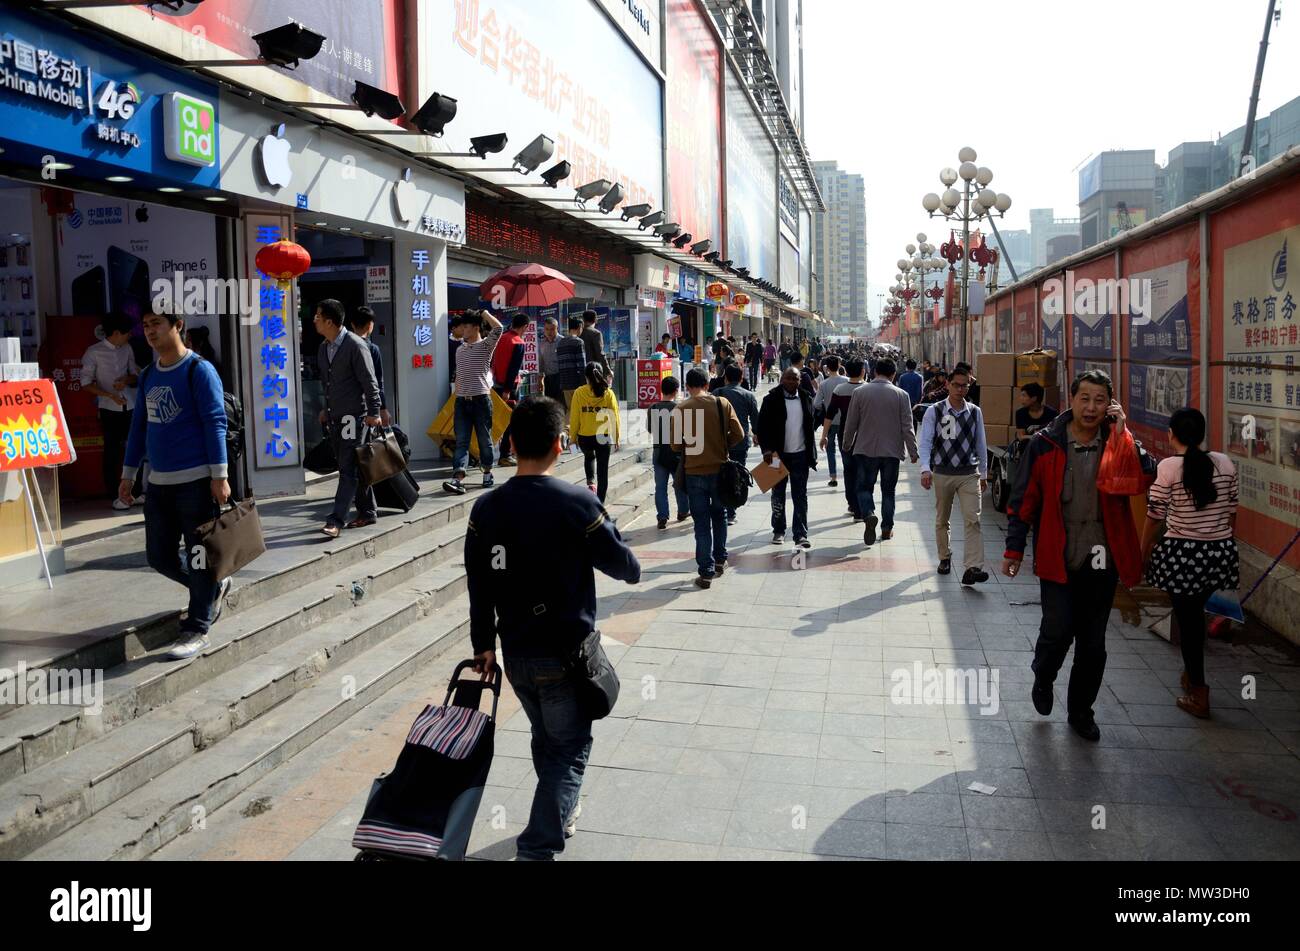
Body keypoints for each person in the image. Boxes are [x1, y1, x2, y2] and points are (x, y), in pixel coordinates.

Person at [465, 395, 641, 861]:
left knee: (547, 740)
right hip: (565, 653)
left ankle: (559, 815)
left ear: (511, 443)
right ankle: (537, 847)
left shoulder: (484, 509)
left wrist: (483, 644)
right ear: (560, 445)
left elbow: (477, 582)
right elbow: (628, 569)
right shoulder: (577, 503)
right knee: (568, 748)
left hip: (515, 653)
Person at [1002, 370, 1156, 742]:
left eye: (1100, 400)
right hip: (1059, 553)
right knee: (1057, 630)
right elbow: (1023, 500)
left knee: (1093, 642)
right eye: (1084, 398)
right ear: (1071, 400)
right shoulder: (1045, 444)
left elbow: (1146, 473)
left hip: (1103, 558)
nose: (1091, 407)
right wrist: (1014, 548)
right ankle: (1043, 674)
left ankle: (1081, 711)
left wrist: (1125, 434)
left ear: (1111, 404)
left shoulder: (1117, 442)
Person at [119, 310, 229, 660]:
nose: (149, 331)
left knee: (198, 559)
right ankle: (212, 587)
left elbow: (215, 423)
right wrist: (129, 474)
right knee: (159, 557)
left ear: (177, 325)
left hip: (196, 483)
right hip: (159, 485)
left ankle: (198, 627)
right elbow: (139, 429)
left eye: (157, 324)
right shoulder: (149, 374)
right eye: (146, 325)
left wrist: (220, 475)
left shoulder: (199, 370)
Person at [1140, 407, 1239, 719]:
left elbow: (1155, 515)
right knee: (1195, 619)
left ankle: (1199, 692)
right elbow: (1232, 510)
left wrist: (1144, 552)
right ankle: (1191, 676)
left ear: (1171, 435)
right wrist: (1221, 539)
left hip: (1183, 554)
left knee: (1191, 622)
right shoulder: (1223, 461)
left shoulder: (1169, 466)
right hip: (1220, 552)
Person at [671, 367, 744, 589]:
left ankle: (706, 572)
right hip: (720, 470)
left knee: (701, 524)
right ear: (707, 384)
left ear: (688, 386)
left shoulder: (681, 409)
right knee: (720, 515)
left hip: (694, 473)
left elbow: (675, 445)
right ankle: (721, 559)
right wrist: (722, 445)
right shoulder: (722, 404)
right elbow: (739, 434)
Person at [315, 300, 383, 536]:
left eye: (318, 316)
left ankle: (336, 520)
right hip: (335, 418)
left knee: (347, 468)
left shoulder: (356, 345)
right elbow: (328, 384)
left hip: (354, 418)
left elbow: (369, 381)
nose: (314, 320)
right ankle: (368, 511)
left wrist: (374, 413)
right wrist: (326, 408)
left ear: (329, 322)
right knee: (354, 465)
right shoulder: (324, 347)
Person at [918, 367, 988, 585]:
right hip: (942, 472)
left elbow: (981, 444)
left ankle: (972, 567)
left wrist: (984, 473)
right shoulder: (935, 411)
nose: (960, 389)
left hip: (969, 473)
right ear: (947, 384)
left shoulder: (975, 411)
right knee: (942, 519)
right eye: (956, 384)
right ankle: (944, 557)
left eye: (965, 385)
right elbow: (926, 441)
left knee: (973, 520)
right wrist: (924, 468)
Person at [841, 357, 919, 546]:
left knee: (863, 487)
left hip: (865, 450)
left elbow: (851, 422)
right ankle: (886, 529)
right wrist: (913, 451)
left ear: (875, 371)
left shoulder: (860, 392)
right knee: (888, 491)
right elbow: (907, 426)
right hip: (892, 452)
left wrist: (846, 443)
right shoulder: (902, 395)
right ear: (893, 374)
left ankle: (868, 513)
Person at [81, 313, 141, 509]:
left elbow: (135, 374)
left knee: (135, 447)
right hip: (109, 407)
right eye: (127, 333)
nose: (130, 336)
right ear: (116, 333)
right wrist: (108, 395)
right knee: (112, 451)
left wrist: (126, 380)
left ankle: (137, 491)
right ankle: (114, 494)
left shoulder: (127, 348)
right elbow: (85, 383)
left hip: (129, 403)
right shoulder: (93, 352)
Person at [443, 308, 504, 495]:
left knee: (484, 440)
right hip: (462, 401)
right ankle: (458, 478)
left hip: (481, 400)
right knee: (461, 441)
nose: (462, 329)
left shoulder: (486, 346)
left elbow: (499, 328)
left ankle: (487, 472)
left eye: (466, 326)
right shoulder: (460, 348)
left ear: (476, 328)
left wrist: (484, 313)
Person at [757, 367, 817, 548]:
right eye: (789, 378)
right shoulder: (771, 399)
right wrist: (766, 450)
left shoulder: (806, 398)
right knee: (778, 495)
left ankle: (800, 534)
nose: (792, 382)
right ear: (782, 379)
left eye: (795, 379)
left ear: (800, 381)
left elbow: (811, 424)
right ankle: (778, 530)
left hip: (800, 455)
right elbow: (762, 427)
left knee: (800, 495)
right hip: (776, 456)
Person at [714, 363, 760, 526]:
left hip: (720, 443)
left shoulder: (717, 394)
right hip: (740, 442)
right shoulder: (748, 395)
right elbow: (755, 419)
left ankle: (722, 508)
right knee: (736, 475)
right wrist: (756, 434)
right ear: (742, 378)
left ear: (725, 378)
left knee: (721, 474)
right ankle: (731, 511)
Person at [568, 362, 621, 502]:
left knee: (589, 457)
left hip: (584, 436)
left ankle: (591, 483)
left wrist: (572, 438)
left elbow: (574, 418)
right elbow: (614, 416)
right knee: (603, 471)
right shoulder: (608, 393)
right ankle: (600, 503)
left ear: (586, 377)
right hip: (603, 437)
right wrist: (617, 437)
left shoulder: (579, 392)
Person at [824, 358, 867, 520]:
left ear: (846, 371)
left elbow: (830, 413)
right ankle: (862, 507)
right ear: (863, 371)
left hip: (845, 435)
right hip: (865, 436)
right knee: (863, 470)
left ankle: (853, 504)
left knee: (849, 471)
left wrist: (824, 436)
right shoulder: (868, 389)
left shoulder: (840, 389)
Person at [647, 376, 690, 530]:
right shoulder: (680, 408)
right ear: (676, 390)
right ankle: (683, 511)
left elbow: (650, 429)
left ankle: (662, 517)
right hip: (676, 451)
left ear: (661, 390)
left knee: (660, 486)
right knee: (679, 483)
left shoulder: (653, 408)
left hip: (658, 451)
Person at [492, 312, 529, 468]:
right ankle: (505, 455)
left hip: (496, 384)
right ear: (525, 326)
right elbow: (513, 368)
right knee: (510, 421)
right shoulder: (518, 342)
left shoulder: (501, 338)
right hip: (509, 388)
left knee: (496, 420)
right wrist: (508, 389)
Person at [348, 307, 390, 426]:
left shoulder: (343, 348)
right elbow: (378, 382)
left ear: (352, 324)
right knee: (367, 443)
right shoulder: (372, 349)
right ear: (369, 326)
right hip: (367, 409)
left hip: (345, 407)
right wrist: (382, 409)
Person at [812, 355, 845, 488]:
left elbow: (817, 404)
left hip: (829, 421)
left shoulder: (824, 384)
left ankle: (833, 477)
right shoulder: (847, 381)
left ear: (827, 368)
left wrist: (826, 405)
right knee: (845, 449)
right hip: (844, 421)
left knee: (830, 449)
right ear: (839, 365)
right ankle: (848, 473)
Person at [555, 316, 588, 412]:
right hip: (577, 384)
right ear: (579, 327)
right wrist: (585, 383)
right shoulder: (578, 342)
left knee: (571, 411)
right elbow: (582, 365)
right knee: (581, 411)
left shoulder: (560, 343)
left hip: (565, 384)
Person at [538, 316, 564, 402]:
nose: (549, 332)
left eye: (552, 329)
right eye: (547, 329)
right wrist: (540, 378)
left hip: (560, 378)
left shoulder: (563, 341)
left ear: (557, 328)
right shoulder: (541, 343)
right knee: (550, 404)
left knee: (560, 405)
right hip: (547, 379)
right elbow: (541, 362)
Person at [580, 310, 611, 379]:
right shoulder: (596, 333)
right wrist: (608, 370)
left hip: (580, 371)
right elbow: (600, 353)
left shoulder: (579, 332)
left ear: (583, 320)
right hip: (593, 371)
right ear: (595, 320)